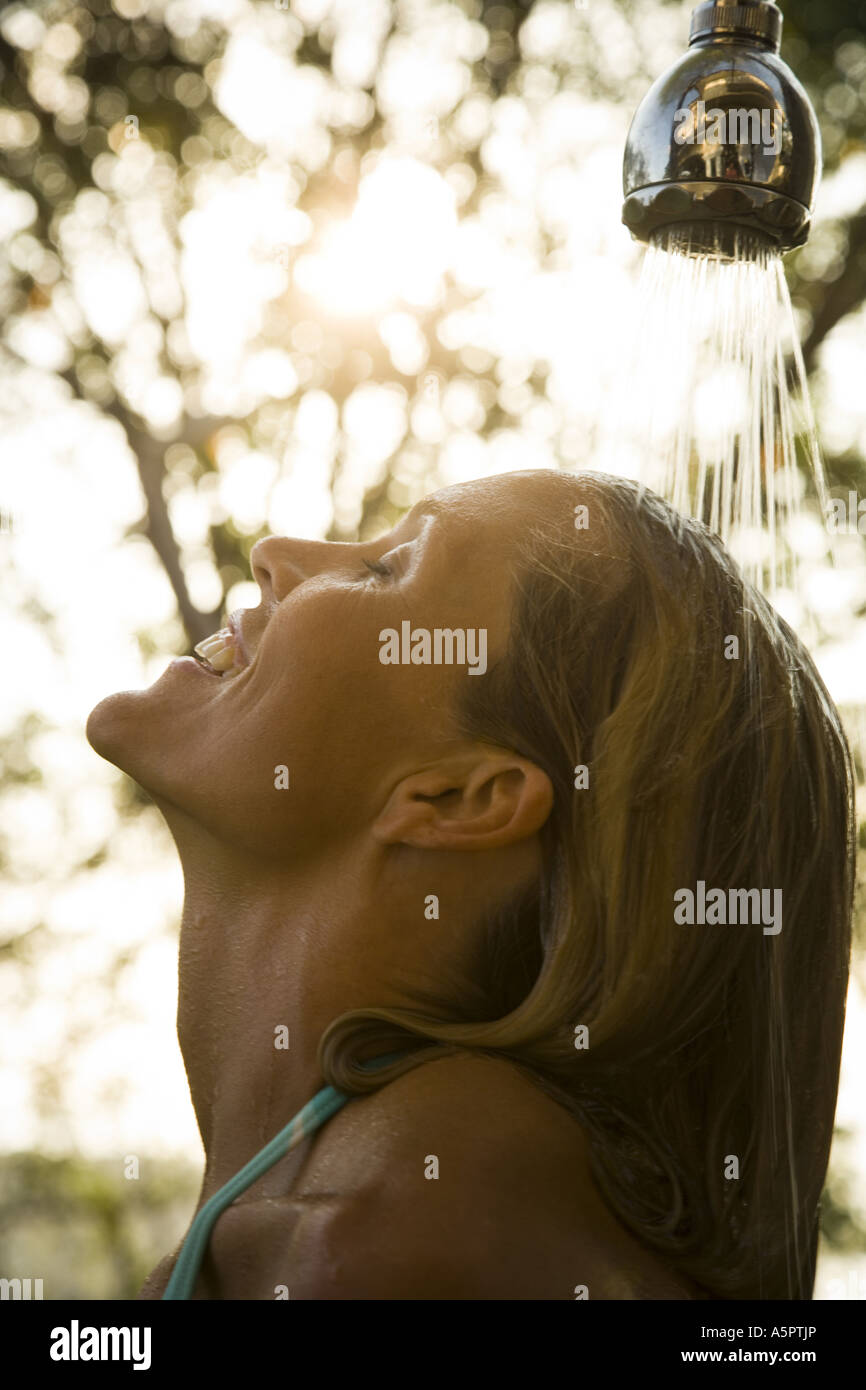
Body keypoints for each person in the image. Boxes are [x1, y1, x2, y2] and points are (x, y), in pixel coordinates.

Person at [86, 468, 855, 1300]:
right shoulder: (339, 1220)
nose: (275, 555)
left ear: (462, 798)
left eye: (386, 570)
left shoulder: (389, 1242)